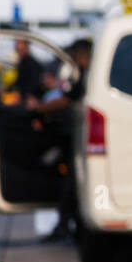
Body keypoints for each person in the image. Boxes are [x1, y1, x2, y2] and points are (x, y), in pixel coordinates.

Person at [29, 38, 91, 241]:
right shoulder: (86, 74)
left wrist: (38, 109)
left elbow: (67, 99)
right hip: (76, 136)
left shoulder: (87, 76)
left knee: (71, 182)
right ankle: (69, 223)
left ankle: (67, 224)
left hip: (80, 138)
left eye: (75, 57)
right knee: (70, 181)